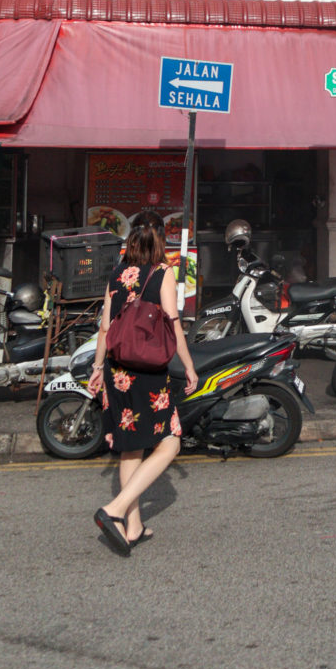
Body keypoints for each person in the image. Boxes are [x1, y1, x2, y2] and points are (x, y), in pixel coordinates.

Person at [89, 210, 197, 557]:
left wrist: (96, 365)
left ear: (131, 238)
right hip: (149, 372)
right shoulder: (163, 273)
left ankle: (133, 527)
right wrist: (190, 367)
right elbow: (173, 324)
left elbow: (105, 327)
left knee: (131, 444)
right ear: (161, 240)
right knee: (169, 444)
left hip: (118, 371)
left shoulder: (118, 273)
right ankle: (116, 509)